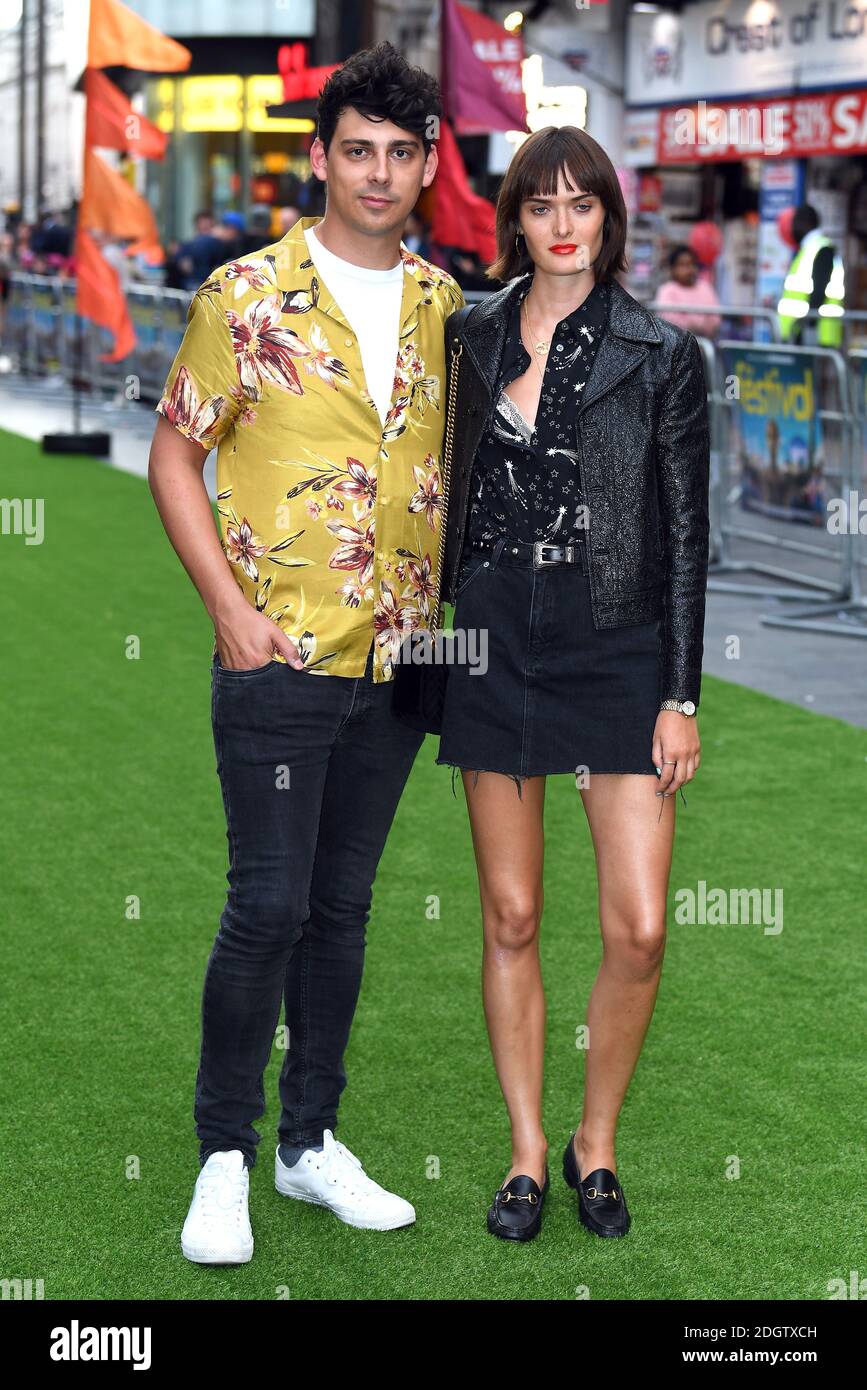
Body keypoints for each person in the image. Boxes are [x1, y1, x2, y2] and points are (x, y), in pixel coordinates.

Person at [147, 40, 464, 1264]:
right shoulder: (244, 294)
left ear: (427, 167)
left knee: (341, 911)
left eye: (400, 154)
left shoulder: (447, 307)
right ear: (321, 158)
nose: (378, 174)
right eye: (357, 152)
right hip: (277, 652)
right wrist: (228, 609)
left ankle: (308, 1142)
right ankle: (224, 1154)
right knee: (267, 906)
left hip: (398, 661)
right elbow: (177, 452)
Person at [435, 125, 710, 1241]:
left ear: (607, 217)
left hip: (619, 643)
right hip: (494, 635)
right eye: (540, 204)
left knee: (638, 926)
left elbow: (688, 532)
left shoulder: (659, 352)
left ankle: (599, 1142)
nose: (561, 223)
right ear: (516, 219)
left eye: (580, 204)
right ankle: (529, 1155)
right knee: (511, 911)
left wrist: (680, 695)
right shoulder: (469, 333)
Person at [777, 204, 845, 347]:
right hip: (800, 334)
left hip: (814, 336)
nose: (792, 229)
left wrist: (805, 326)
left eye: (794, 223)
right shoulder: (809, 249)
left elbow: (819, 292)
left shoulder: (822, 249)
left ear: (804, 223)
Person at [655, 243, 721, 337]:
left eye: (692, 264)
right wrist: (697, 327)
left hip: (705, 343)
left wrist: (695, 328)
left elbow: (715, 320)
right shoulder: (667, 290)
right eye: (683, 265)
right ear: (673, 269)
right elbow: (670, 321)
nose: (689, 269)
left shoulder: (705, 288)